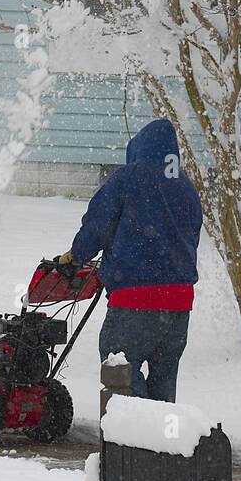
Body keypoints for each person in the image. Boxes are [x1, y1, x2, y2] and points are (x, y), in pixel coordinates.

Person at [58, 118, 201, 402]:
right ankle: (162, 440)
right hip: (179, 305)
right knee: (164, 378)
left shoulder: (129, 178)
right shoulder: (186, 188)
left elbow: (97, 226)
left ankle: (130, 440)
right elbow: (188, 238)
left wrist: (75, 257)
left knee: (120, 369)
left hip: (135, 300)